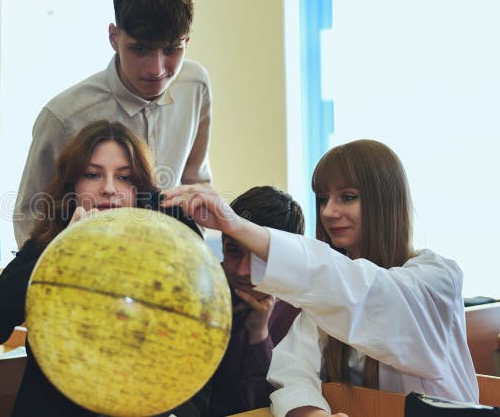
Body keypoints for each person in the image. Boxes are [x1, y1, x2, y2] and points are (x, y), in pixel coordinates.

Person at [162, 139, 479, 417]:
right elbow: (292, 372)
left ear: (385, 201)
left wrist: (236, 224)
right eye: (323, 199)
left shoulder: (438, 278)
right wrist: (312, 412)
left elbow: (365, 293)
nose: (328, 212)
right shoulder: (323, 299)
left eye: (348, 197)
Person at [0, 121, 207, 417]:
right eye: (92, 175)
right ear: (73, 186)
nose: (109, 189)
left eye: (124, 177)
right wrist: (59, 254)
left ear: (139, 190)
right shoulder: (47, 244)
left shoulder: (168, 246)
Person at [12, 0, 212, 247]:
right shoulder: (63, 117)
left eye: (171, 49)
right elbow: (30, 218)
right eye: (140, 49)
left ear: (186, 42)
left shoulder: (195, 85)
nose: (156, 69)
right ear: (114, 38)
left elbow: (196, 182)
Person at [202, 186, 303, 417]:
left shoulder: (300, 311)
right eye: (233, 251)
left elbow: (270, 405)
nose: (242, 270)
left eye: (260, 258)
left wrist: (259, 335)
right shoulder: (202, 288)